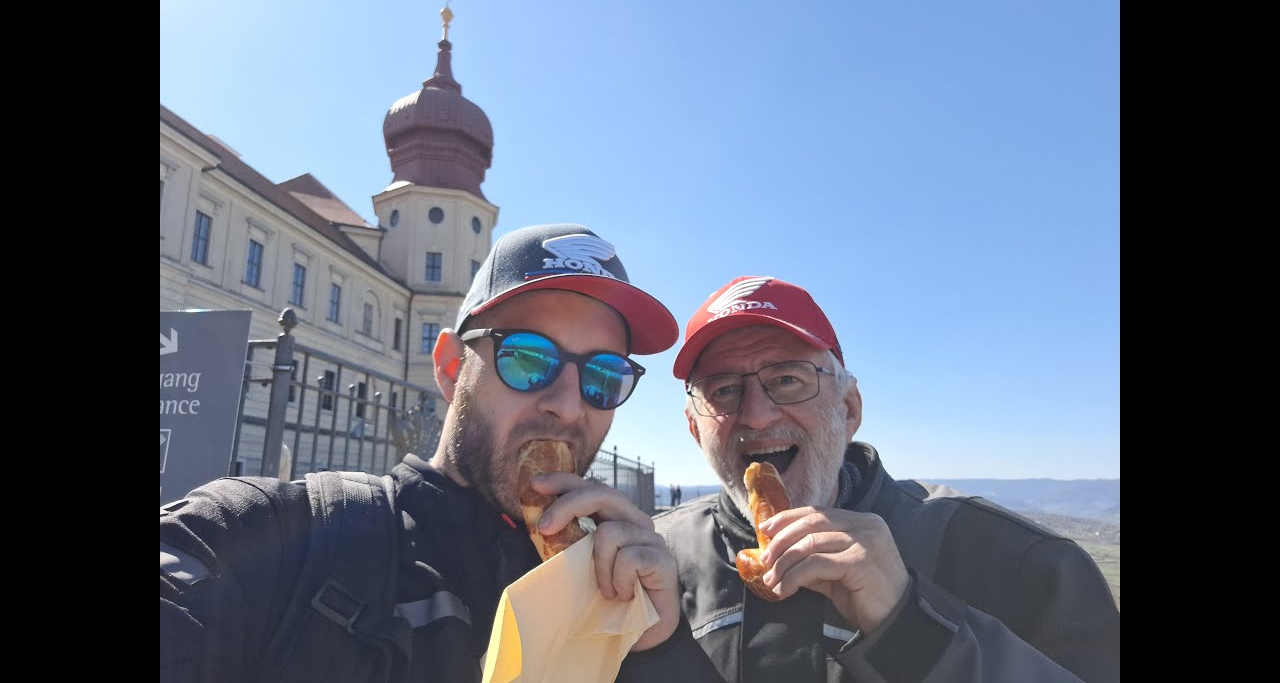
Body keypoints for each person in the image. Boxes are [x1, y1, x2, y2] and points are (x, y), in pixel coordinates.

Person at [160, 224, 698, 682]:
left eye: (604, 377)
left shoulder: (614, 594)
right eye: (528, 358)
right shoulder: (271, 536)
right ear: (449, 367)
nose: (568, 405)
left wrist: (656, 652)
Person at [634, 275, 1120, 682]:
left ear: (848, 410)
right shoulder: (650, 561)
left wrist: (913, 624)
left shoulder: (1019, 564)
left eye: (787, 379)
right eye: (723, 390)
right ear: (697, 429)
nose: (757, 416)